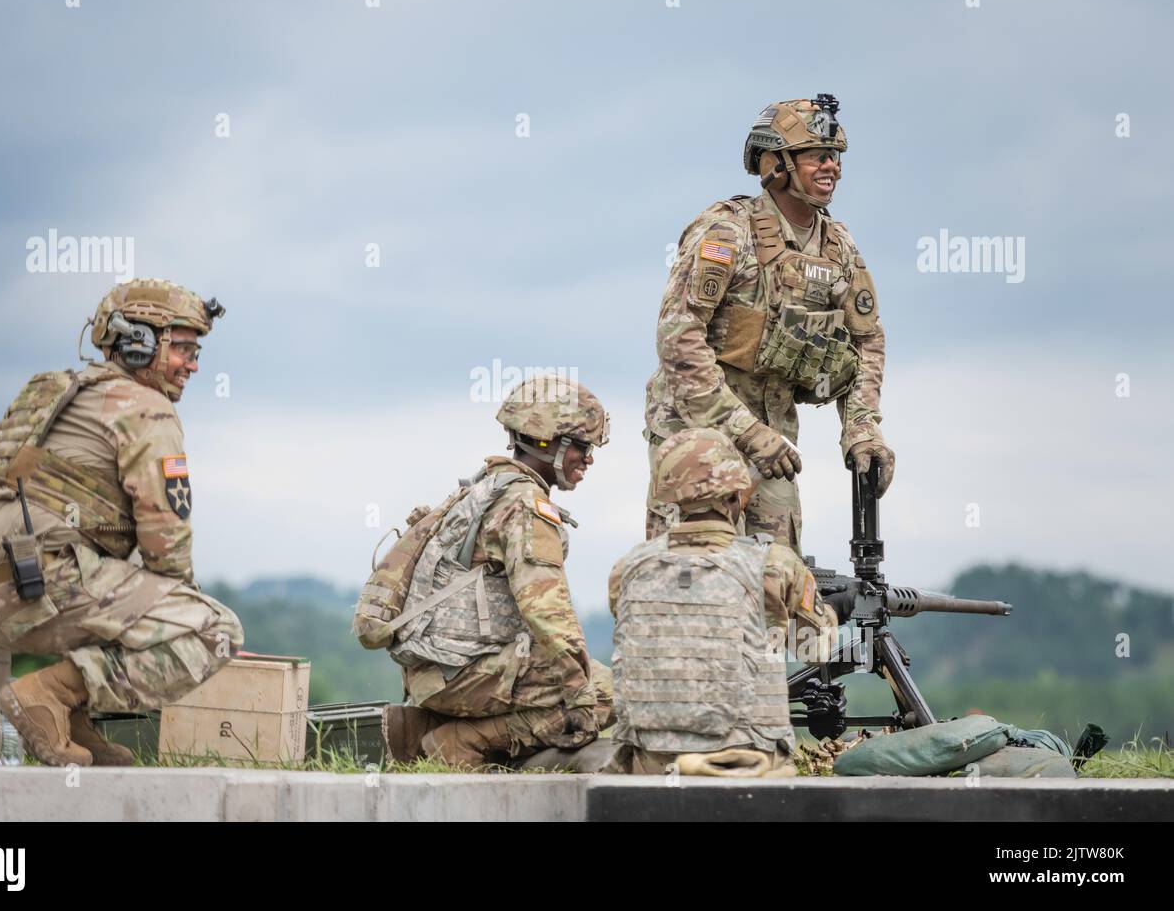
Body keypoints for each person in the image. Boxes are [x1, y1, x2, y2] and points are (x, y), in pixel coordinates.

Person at [0, 279, 243, 766]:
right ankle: (52, 696)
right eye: (185, 348)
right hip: (32, 590)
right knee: (214, 630)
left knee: (120, 591)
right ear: (141, 343)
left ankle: (71, 720)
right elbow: (166, 546)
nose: (193, 365)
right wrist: (179, 606)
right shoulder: (146, 408)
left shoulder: (48, 397)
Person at [644, 94, 893, 552]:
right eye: (816, 155)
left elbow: (868, 340)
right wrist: (746, 432)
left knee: (778, 577)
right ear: (775, 164)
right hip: (696, 433)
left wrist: (861, 427)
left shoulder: (837, 246)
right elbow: (678, 339)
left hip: (773, 440)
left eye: (836, 157)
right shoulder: (726, 232)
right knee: (701, 569)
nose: (831, 167)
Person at [373, 375, 613, 767]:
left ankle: (422, 728)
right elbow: (547, 612)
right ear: (546, 441)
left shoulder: (482, 488)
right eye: (582, 447)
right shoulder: (525, 506)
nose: (588, 459)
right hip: (464, 675)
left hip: (436, 674)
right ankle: (459, 741)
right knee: (610, 689)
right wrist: (580, 692)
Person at [607, 428, 837, 777]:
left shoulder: (629, 568)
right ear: (734, 498)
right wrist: (832, 612)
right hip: (745, 761)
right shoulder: (774, 564)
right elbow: (816, 651)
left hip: (650, 763)